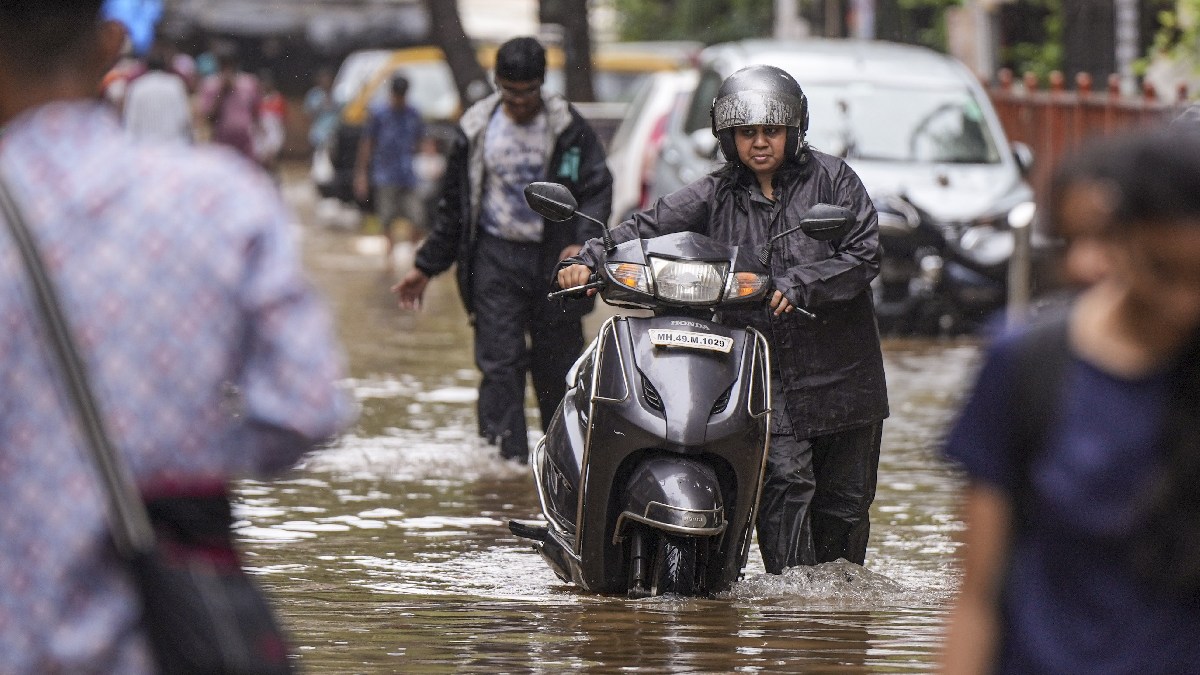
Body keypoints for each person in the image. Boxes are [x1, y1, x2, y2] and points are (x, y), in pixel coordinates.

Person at [0, 3, 354, 671]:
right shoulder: (221, 200)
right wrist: (180, 453)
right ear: (110, 46)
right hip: (165, 637)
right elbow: (306, 409)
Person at [557, 64, 888, 572]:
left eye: (771, 131)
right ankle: (792, 600)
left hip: (845, 374)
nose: (760, 143)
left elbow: (864, 255)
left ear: (794, 130)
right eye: (746, 132)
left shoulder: (835, 179)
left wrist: (800, 283)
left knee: (845, 505)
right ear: (728, 138)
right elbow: (648, 226)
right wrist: (588, 258)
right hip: (766, 375)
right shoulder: (713, 193)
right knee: (785, 483)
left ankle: (837, 613)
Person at [939, 128, 1200, 674]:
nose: (1182, 303)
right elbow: (976, 599)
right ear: (1121, 239)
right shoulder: (1027, 365)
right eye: (1162, 271)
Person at [392, 36, 613, 463]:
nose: (518, 102)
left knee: (558, 366)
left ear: (542, 84)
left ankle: (562, 461)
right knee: (500, 365)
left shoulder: (569, 128)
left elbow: (597, 189)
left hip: (556, 262)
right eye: (509, 92)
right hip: (494, 259)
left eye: (527, 92)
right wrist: (425, 267)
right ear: (497, 82)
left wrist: (581, 243)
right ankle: (502, 468)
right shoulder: (475, 128)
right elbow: (454, 209)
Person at [355, 73, 425, 269]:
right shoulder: (379, 114)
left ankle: (414, 259)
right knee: (387, 219)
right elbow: (367, 144)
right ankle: (389, 260)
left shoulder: (413, 114)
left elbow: (422, 141)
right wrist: (361, 174)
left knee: (418, 218)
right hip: (385, 174)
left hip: (408, 174)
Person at [196, 46, 262, 162]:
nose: (227, 68)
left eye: (230, 63)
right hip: (222, 142)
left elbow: (256, 112)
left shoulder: (249, 83)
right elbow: (208, 117)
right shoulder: (210, 84)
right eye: (224, 64)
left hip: (245, 143)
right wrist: (221, 91)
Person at [122, 49, 193, 145]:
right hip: (173, 146)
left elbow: (131, 121)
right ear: (165, 66)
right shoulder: (175, 85)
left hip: (144, 147)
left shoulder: (137, 86)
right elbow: (184, 117)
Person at [304, 67, 340, 151]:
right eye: (323, 78)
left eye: (327, 78)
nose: (325, 81)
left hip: (334, 133)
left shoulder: (338, 93)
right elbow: (308, 114)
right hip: (318, 132)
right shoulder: (314, 95)